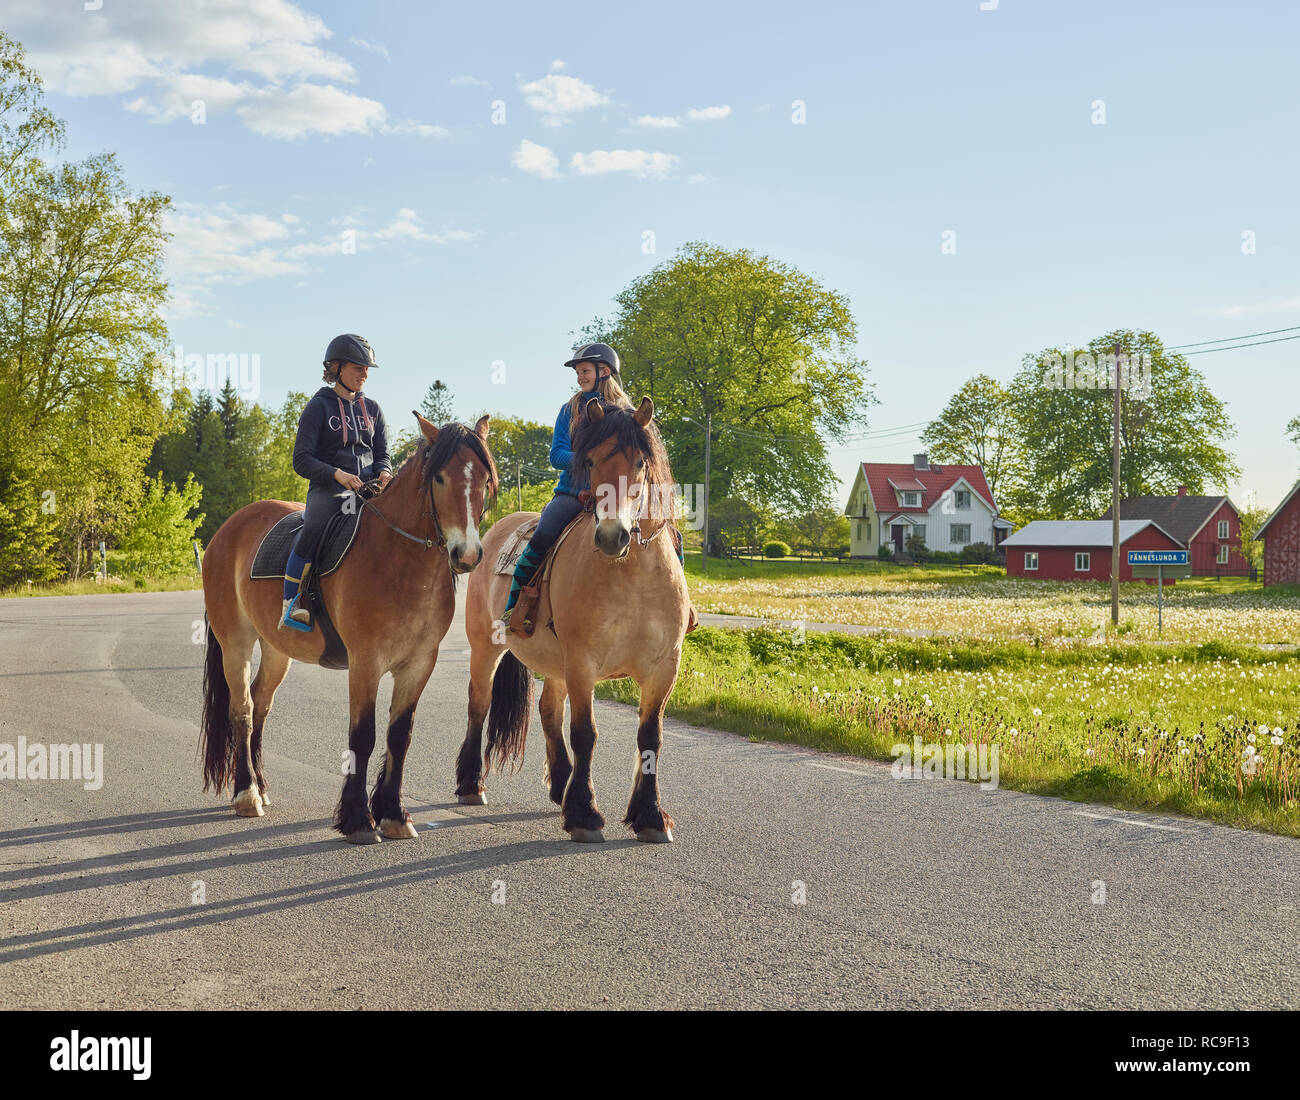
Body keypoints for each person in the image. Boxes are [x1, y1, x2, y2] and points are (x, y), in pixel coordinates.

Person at [502, 342, 688, 635]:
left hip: (620, 496)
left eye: (585, 371)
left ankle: (682, 604)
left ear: (604, 372)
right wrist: (594, 460)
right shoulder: (570, 410)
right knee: (542, 536)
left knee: (672, 535)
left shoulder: (630, 414)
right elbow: (556, 455)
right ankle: (514, 607)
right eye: (578, 372)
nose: (580, 377)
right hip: (573, 493)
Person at [280, 334, 392, 631]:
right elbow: (301, 460)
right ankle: (291, 602)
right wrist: (336, 474)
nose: (364, 373)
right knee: (314, 528)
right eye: (358, 366)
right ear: (336, 367)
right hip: (329, 491)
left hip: (370, 491)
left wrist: (385, 473)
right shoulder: (318, 407)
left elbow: (383, 454)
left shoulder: (374, 410)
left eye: (366, 368)